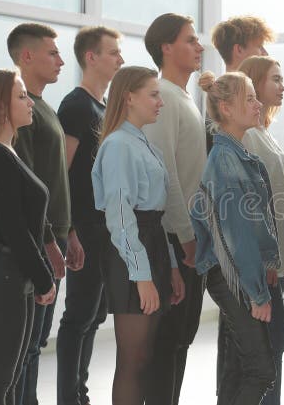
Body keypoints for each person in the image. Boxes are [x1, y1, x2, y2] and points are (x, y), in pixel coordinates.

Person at [0, 68, 57, 405]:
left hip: (11, 273)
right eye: (21, 96)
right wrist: (44, 278)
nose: (30, 101)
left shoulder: (8, 152)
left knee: (10, 383)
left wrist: (38, 277)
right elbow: (16, 229)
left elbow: (25, 226)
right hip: (1, 274)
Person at [92, 66, 185, 405]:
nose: (160, 101)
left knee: (147, 357)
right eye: (154, 94)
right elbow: (120, 217)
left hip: (153, 246)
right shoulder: (119, 145)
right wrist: (141, 276)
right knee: (133, 361)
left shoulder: (141, 141)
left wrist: (171, 266)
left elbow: (156, 217)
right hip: (132, 255)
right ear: (129, 97)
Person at [191, 70, 279, 405]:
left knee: (240, 368)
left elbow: (253, 224)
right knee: (260, 369)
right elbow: (234, 235)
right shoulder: (225, 159)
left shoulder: (236, 154)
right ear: (226, 109)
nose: (259, 105)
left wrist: (267, 264)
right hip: (232, 277)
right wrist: (257, 293)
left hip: (237, 274)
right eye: (251, 99)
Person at [6, 22, 82, 405]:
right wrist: (51, 242)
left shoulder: (45, 109)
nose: (61, 60)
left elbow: (56, 181)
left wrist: (71, 233)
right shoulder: (22, 112)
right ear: (27, 56)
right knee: (27, 348)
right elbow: (29, 190)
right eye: (52, 52)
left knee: (36, 344)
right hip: (36, 245)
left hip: (53, 239)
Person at [142, 13, 208, 405]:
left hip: (188, 236)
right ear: (166, 47)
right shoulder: (163, 95)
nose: (199, 46)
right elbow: (164, 174)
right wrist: (184, 238)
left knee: (181, 339)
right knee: (168, 344)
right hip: (173, 239)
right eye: (190, 39)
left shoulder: (185, 97)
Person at [56, 25, 124, 405]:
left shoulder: (104, 106)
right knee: (78, 316)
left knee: (94, 316)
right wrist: (69, 232)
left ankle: (79, 393)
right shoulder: (76, 106)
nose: (120, 59)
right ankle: (70, 398)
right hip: (83, 227)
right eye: (113, 52)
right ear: (91, 57)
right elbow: (61, 175)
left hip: (103, 228)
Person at [234, 55, 284, 405]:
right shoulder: (249, 138)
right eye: (275, 79)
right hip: (260, 265)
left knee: (274, 343)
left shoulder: (263, 133)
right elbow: (252, 207)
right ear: (254, 85)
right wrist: (269, 260)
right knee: (268, 347)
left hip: (272, 261)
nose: (282, 86)